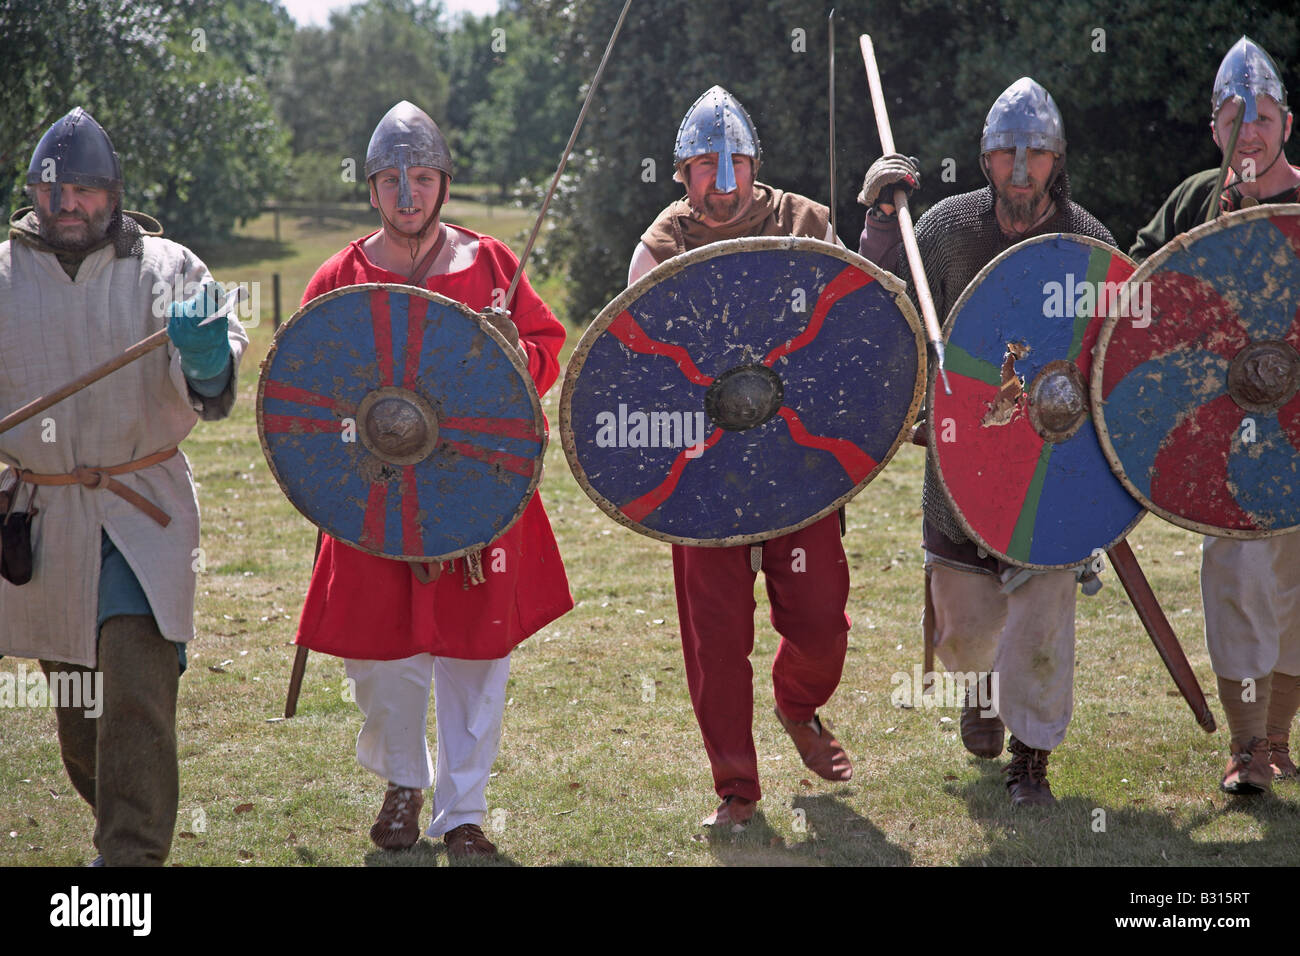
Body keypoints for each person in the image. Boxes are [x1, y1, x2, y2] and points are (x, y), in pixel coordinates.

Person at [292, 101, 572, 856]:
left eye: (421, 178)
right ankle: (403, 782)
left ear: (442, 184)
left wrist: (518, 352)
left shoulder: (489, 266)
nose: (407, 194)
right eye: (392, 181)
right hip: (375, 497)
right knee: (381, 658)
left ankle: (465, 813)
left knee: (475, 657)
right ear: (373, 190)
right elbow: (306, 387)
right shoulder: (342, 274)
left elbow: (545, 349)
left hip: (475, 492)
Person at [0, 107, 248, 864]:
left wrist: (205, 359)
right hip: (46, 517)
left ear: (111, 193)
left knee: (134, 679)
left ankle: (129, 861)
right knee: (81, 716)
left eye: (82, 190)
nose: (66, 204)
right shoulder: (4, 277)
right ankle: (120, 822)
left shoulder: (167, 268)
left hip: (143, 517)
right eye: (52, 191)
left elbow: (215, 378)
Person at [858, 78, 1114, 806]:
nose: (1022, 167)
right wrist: (881, 221)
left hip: (1050, 467)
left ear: (1057, 160)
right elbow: (881, 307)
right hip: (961, 464)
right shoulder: (942, 228)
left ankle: (1032, 755)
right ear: (985, 160)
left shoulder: (1087, 243)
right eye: (1007, 152)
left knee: (1043, 613)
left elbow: (1117, 358)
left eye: (1036, 152)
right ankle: (981, 690)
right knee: (964, 637)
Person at [628, 86, 853, 830]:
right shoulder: (661, 248)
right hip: (702, 472)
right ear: (681, 173)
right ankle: (736, 790)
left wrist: (881, 224)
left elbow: (853, 331)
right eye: (703, 167)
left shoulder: (809, 224)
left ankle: (799, 704)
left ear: (757, 164)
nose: (722, 183)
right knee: (717, 638)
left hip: (797, 459)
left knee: (820, 619)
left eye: (736, 165)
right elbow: (639, 368)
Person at [1130, 36, 1300, 796]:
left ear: (1286, 124)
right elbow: (1136, 291)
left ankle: (1278, 736)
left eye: (1261, 116)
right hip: (1227, 427)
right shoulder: (1194, 199)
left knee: (1297, 582)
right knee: (1236, 570)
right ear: (1214, 128)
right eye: (1235, 116)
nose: (1249, 131)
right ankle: (1245, 746)